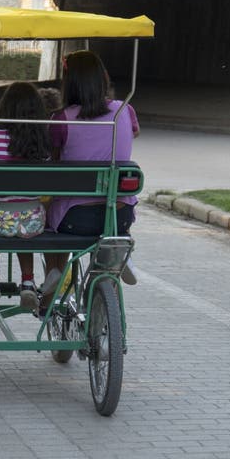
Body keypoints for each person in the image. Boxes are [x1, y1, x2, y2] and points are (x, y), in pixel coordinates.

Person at [46, 50, 140, 287]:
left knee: (47, 208)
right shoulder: (124, 110)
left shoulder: (62, 118)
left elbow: (53, 158)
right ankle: (116, 257)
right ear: (103, 79)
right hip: (119, 216)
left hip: (75, 218)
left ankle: (54, 274)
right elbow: (135, 133)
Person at [0, 82, 50, 311]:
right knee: (23, 231)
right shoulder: (43, 141)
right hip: (33, 220)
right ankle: (28, 281)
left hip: (0, 219)